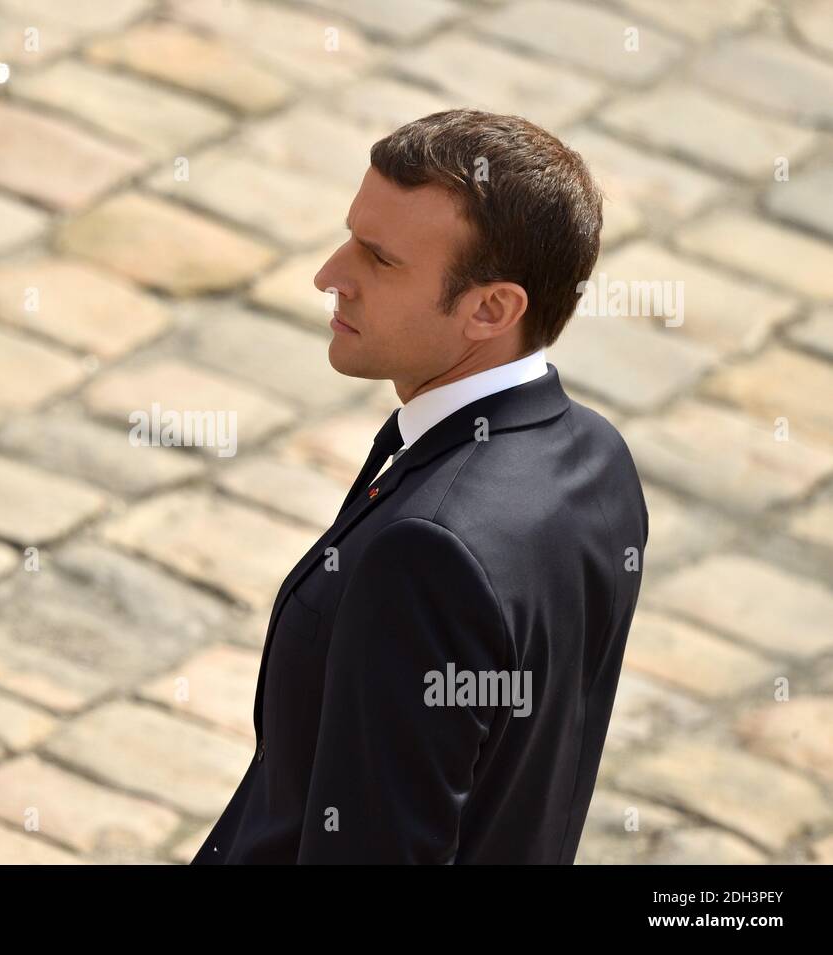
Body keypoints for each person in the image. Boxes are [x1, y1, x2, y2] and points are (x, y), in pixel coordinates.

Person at [192, 109, 648, 864]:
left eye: (379, 259)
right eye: (350, 238)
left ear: (490, 309)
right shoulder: (598, 460)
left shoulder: (425, 556)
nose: (329, 276)